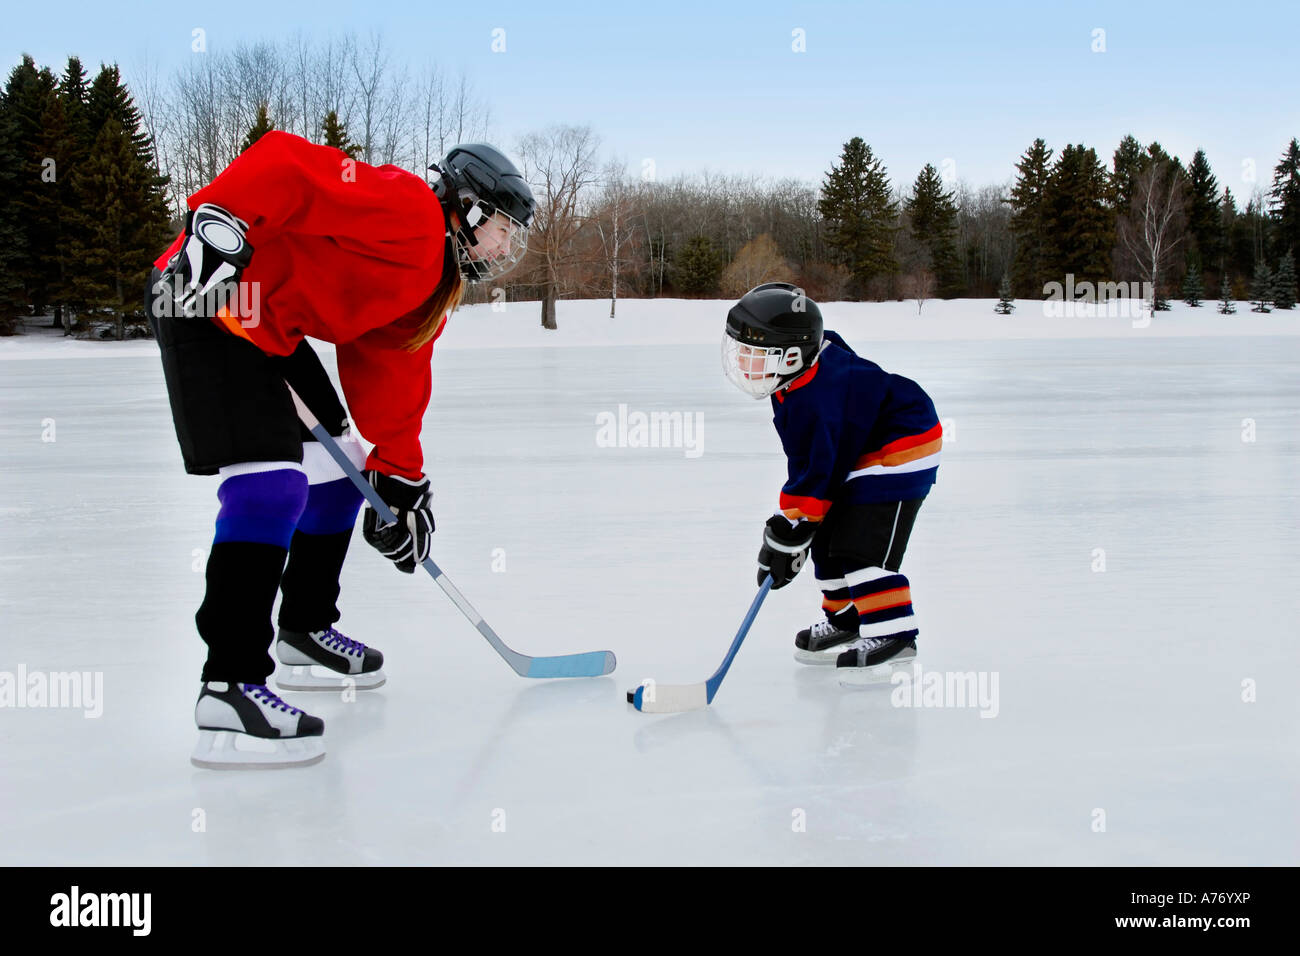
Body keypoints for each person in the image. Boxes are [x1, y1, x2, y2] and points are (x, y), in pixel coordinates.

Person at [146, 131, 535, 768]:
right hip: (206, 297)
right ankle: (229, 685)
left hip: (267, 326)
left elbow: (391, 371)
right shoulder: (410, 211)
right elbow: (287, 164)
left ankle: (302, 629)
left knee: (341, 471)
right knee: (271, 484)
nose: (504, 243)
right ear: (465, 207)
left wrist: (400, 476)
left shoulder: (431, 281)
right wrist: (219, 227)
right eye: (501, 226)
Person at [721, 283, 941, 681]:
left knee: (860, 548)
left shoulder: (822, 400)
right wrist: (794, 528)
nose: (746, 363)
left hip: (902, 444)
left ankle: (894, 634)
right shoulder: (795, 375)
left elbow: (821, 469)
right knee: (826, 544)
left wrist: (789, 531)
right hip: (859, 442)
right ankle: (846, 620)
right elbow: (808, 464)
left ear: (790, 355)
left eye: (756, 354)